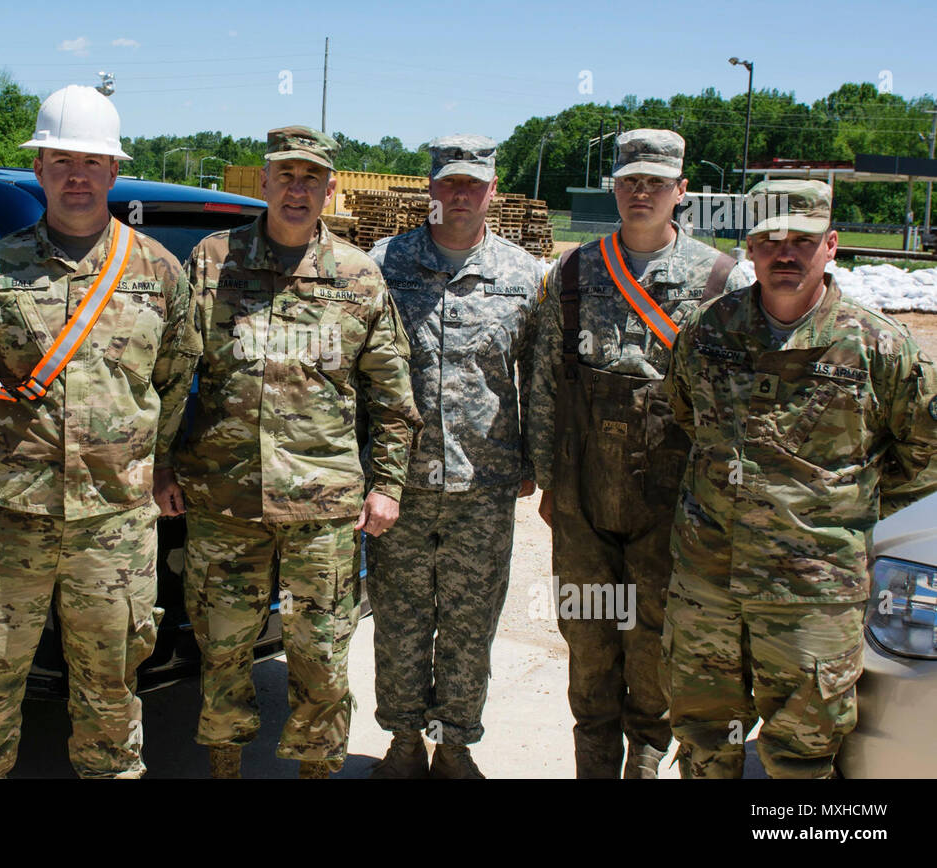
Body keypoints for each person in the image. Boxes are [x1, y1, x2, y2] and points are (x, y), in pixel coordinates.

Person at [0, 85, 201, 778]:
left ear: (114, 172)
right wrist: (5, 458)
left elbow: (172, 383)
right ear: (39, 169)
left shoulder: (159, 274)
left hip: (112, 527)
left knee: (111, 699)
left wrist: (145, 462)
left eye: (91, 162)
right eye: (60, 161)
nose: (76, 176)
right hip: (3, 525)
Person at [156, 125, 421, 778]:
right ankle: (224, 770)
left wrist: (387, 486)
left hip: (323, 513)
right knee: (221, 657)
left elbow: (392, 392)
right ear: (265, 182)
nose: (297, 190)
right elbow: (170, 370)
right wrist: (161, 463)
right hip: (224, 503)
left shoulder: (359, 277)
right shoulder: (213, 262)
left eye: (311, 179)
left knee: (321, 663)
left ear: (330, 190)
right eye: (286, 175)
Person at [662, 179, 937, 777]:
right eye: (769, 240)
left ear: (831, 246)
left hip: (813, 595)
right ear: (750, 247)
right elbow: (686, 414)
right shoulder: (708, 332)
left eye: (802, 241)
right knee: (705, 738)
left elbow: (924, 456)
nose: (785, 254)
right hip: (708, 584)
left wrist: (836, 513)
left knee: (802, 753)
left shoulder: (878, 347)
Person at [526, 128, 748, 778]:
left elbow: (735, 409)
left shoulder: (722, 281)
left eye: (656, 181)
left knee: (654, 663)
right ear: (614, 188)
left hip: (671, 519)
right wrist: (549, 485)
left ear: (682, 191)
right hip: (583, 511)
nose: (641, 192)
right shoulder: (570, 273)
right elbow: (544, 383)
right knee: (590, 659)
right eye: (629, 180)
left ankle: (644, 770)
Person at [365, 134, 542, 778]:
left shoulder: (524, 275)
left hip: (484, 483)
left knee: (470, 623)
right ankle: (404, 742)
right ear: (431, 188)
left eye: (474, 183)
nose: (460, 194)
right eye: (449, 182)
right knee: (400, 619)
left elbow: (538, 378)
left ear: (492, 190)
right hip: (400, 482)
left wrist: (538, 466)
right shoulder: (385, 264)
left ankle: (456, 744)